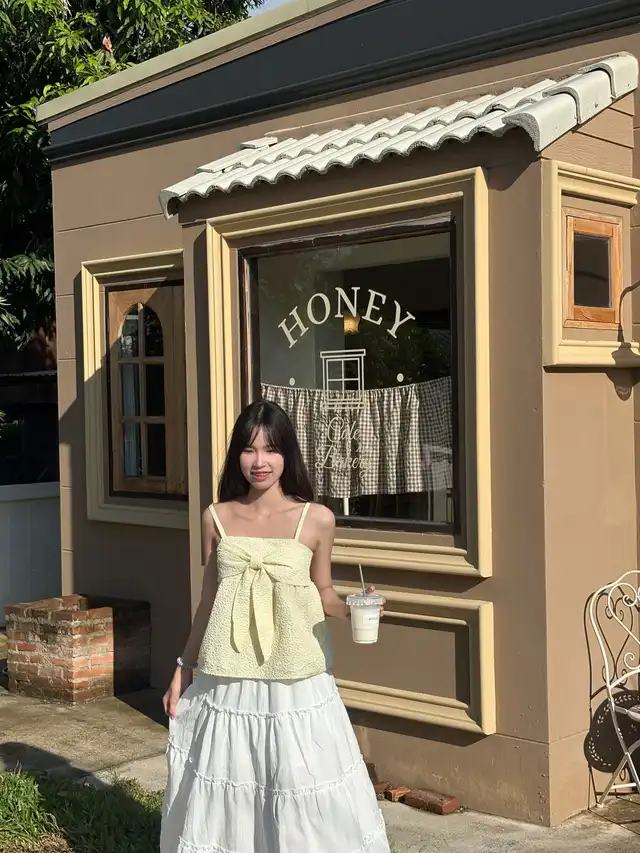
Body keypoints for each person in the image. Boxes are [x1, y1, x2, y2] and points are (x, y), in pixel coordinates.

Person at [160, 399, 391, 853]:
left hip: (295, 677)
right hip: (230, 674)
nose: (259, 462)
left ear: (287, 454)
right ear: (237, 456)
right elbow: (208, 602)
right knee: (232, 780)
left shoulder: (317, 518)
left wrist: (356, 608)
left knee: (299, 781)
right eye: (249, 449)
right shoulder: (216, 517)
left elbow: (324, 592)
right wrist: (183, 667)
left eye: (271, 449)